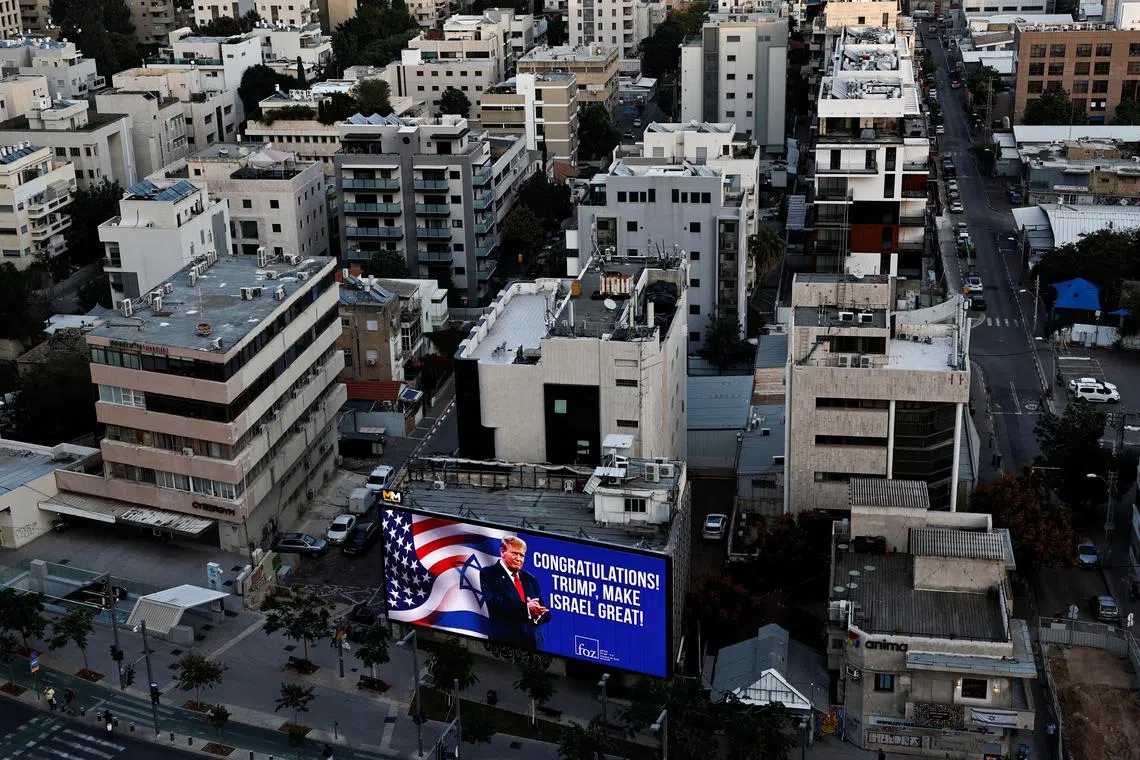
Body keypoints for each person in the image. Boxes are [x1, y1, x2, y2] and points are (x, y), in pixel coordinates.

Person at [479, 536, 551, 650]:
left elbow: (547, 613)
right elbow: (495, 605)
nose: (519, 559)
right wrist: (527, 608)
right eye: (514, 553)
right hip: (505, 647)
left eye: (522, 555)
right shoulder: (489, 573)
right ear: (502, 552)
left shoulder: (530, 579)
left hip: (534, 647)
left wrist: (538, 614)